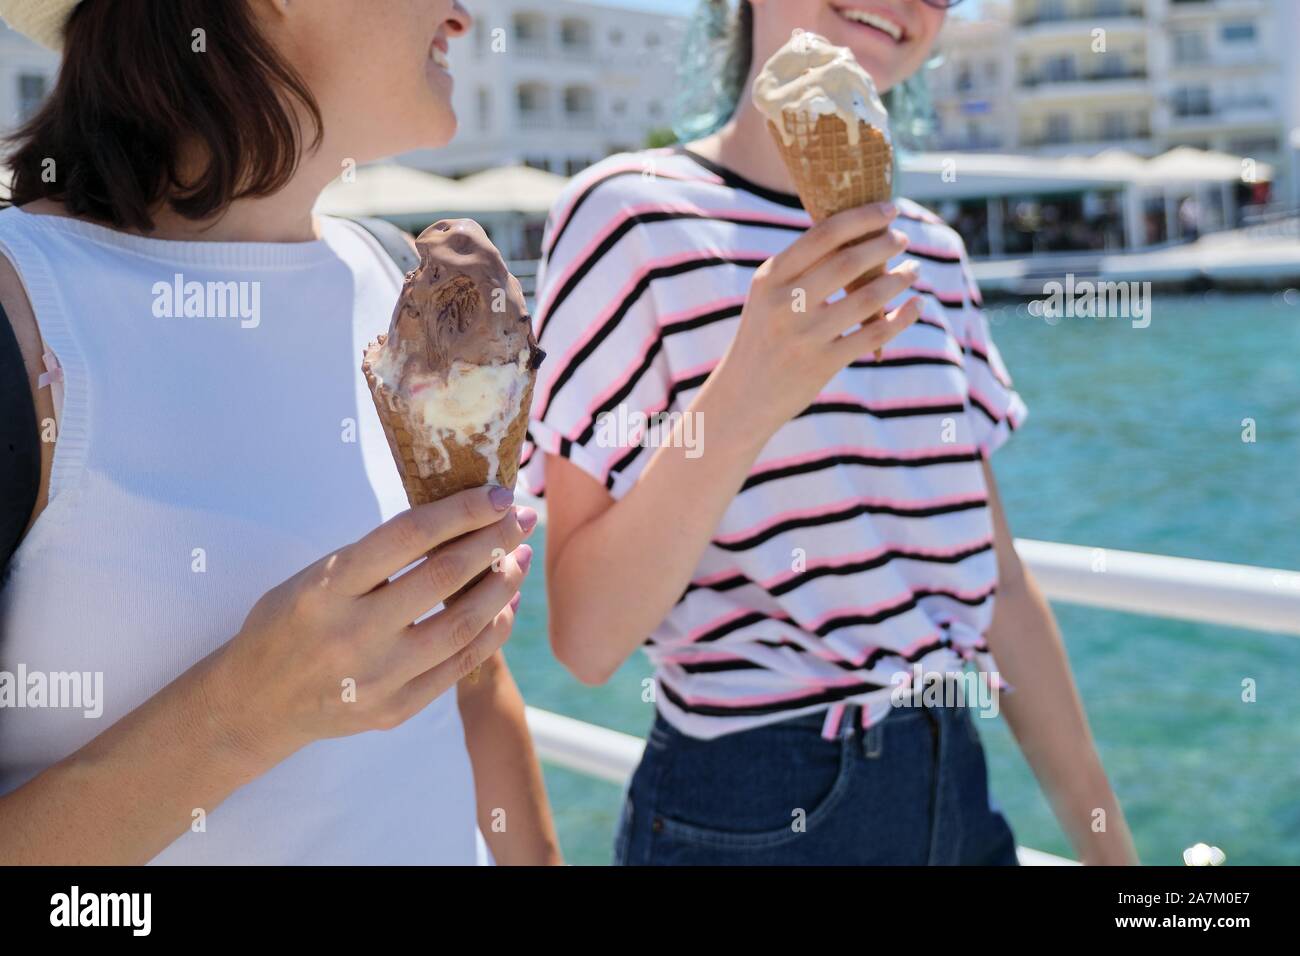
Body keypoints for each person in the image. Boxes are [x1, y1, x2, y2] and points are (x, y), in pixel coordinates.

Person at [527, 0, 1138, 865]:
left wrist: (1116, 858)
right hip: (753, 806)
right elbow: (587, 639)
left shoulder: (932, 254)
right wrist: (747, 393)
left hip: (956, 781)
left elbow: (999, 585)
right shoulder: (628, 217)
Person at [0, 0, 560, 865]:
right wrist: (242, 717)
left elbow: (471, 684)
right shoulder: (22, 314)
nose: (463, 14)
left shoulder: (396, 279)